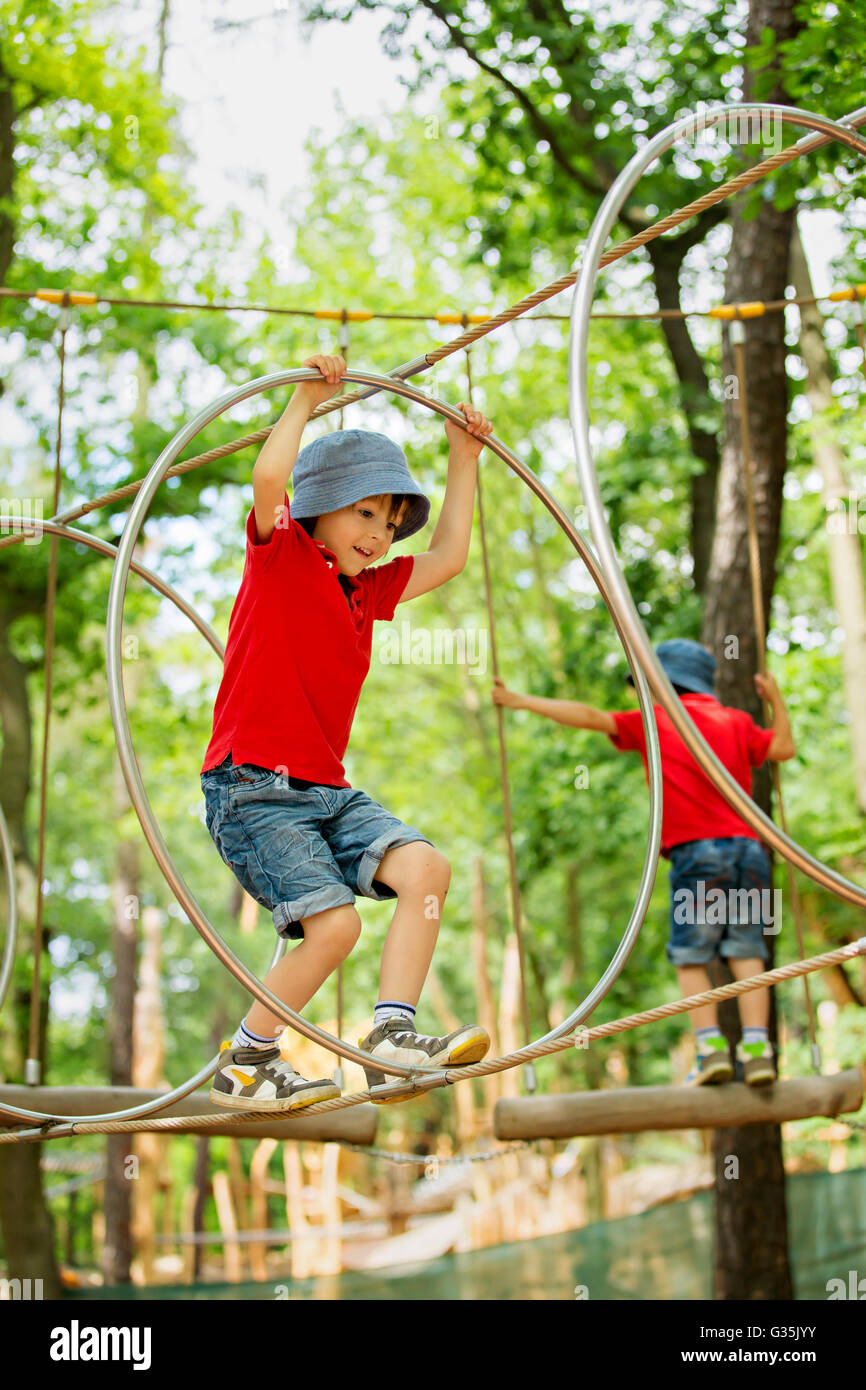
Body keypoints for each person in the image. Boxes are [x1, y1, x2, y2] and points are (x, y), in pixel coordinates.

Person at [201, 353, 493, 1110]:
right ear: (322, 505)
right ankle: (248, 1060)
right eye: (366, 513)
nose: (380, 534)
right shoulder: (282, 556)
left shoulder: (371, 590)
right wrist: (304, 400)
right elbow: (270, 482)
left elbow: (453, 554)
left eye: (390, 523)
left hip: (326, 793)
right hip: (253, 789)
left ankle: (391, 1038)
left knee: (426, 870)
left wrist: (464, 459)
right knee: (332, 929)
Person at [492, 639, 796, 1086]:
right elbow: (783, 749)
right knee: (747, 952)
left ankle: (711, 1048)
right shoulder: (734, 721)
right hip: (750, 851)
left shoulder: (657, 721)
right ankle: (757, 1051)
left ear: (663, 683)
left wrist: (518, 700)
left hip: (698, 854)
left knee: (692, 955)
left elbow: (590, 717)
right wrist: (776, 702)